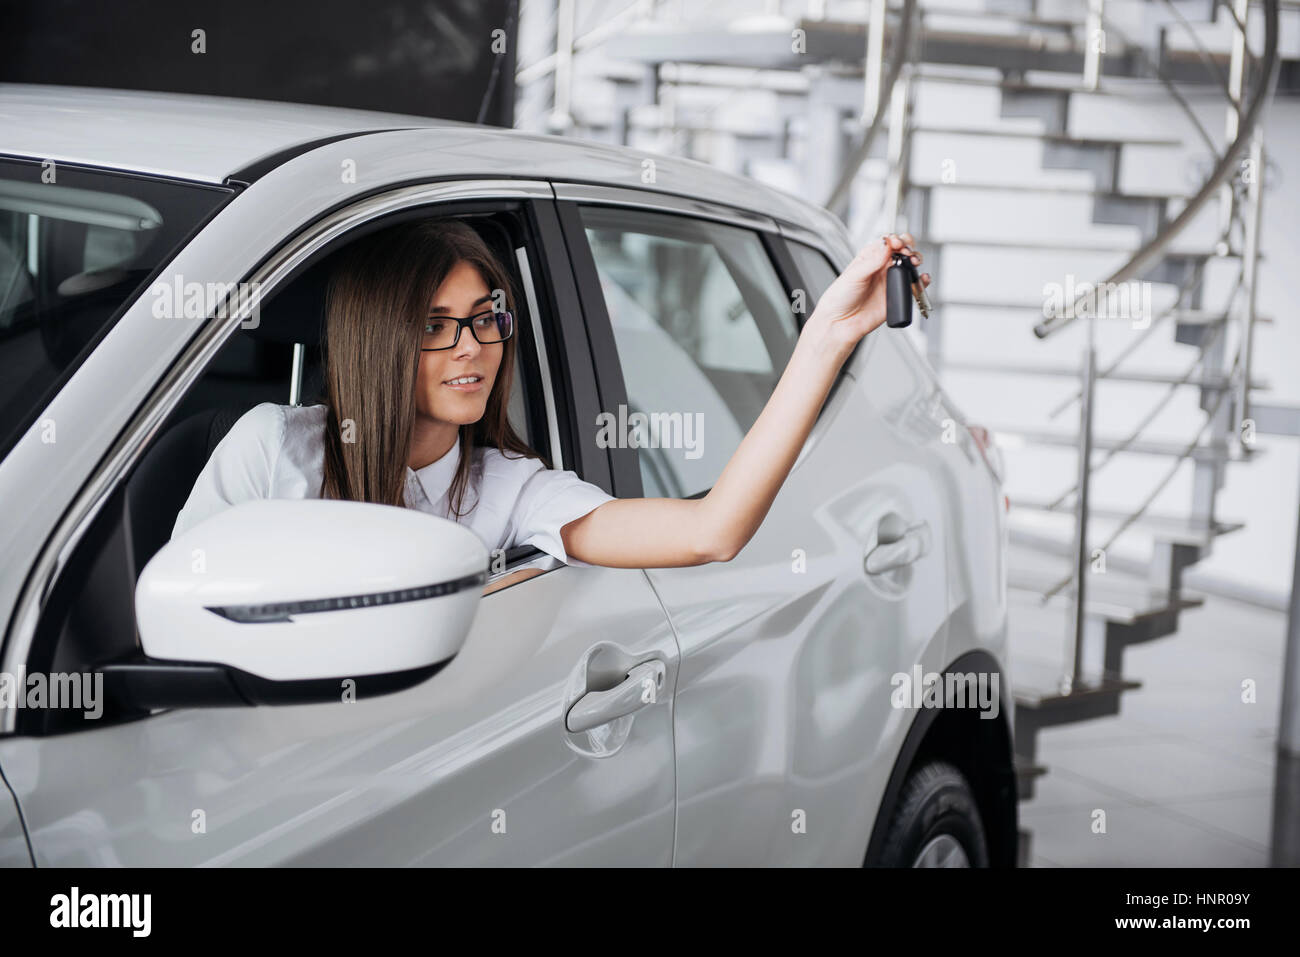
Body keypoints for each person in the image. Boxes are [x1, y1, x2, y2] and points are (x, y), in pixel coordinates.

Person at [171, 217, 928, 580]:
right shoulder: (273, 451)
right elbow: (175, 623)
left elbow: (711, 531)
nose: (473, 346)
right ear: (379, 343)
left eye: (485, 317)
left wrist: (828, 334)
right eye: (435, 326)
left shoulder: (510, 489)